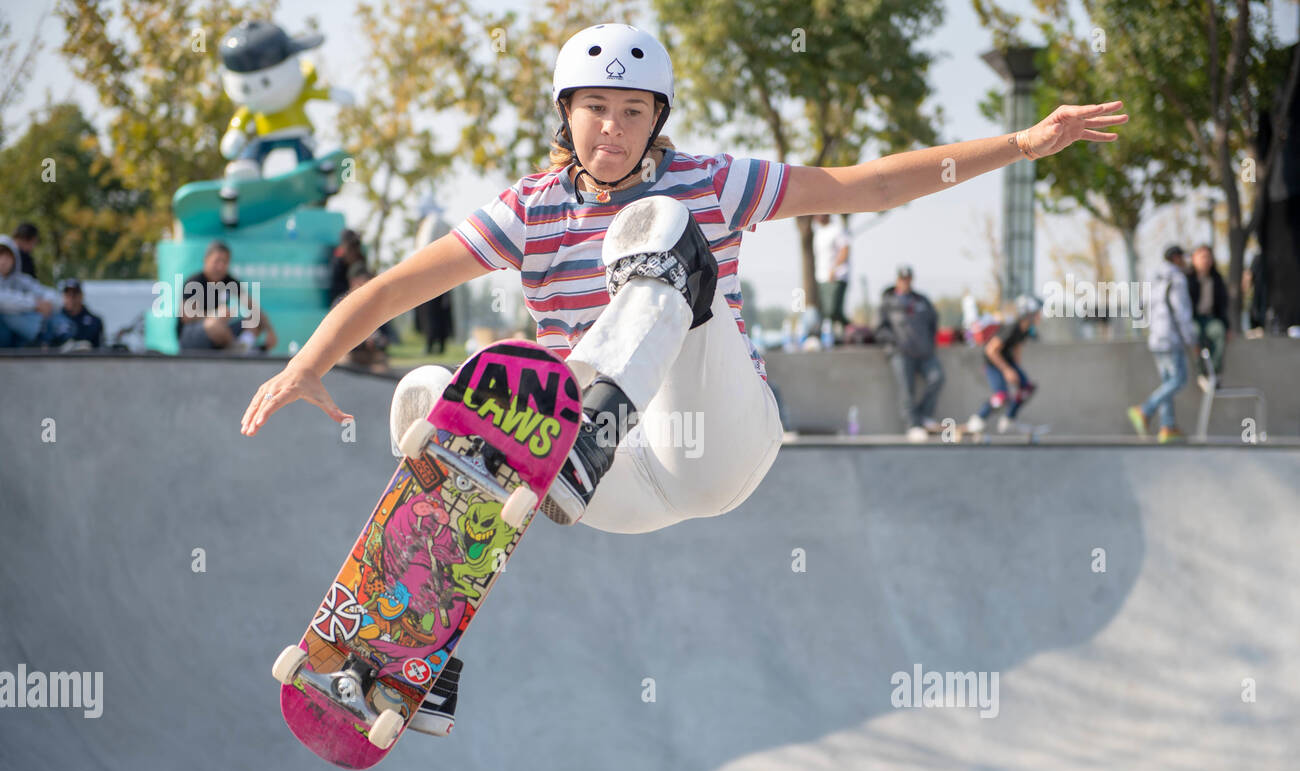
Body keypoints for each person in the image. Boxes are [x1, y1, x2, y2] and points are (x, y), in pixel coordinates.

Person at [241, 21, 1128, 735]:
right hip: (614, 491)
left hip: (715, 442)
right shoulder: (530, 209)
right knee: (442, 388)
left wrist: (1019, 142)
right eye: (596, 109)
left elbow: (866, 189)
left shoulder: (717, 181)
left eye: (634, 111)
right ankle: (412, 649)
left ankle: (594, 418)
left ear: (657, 118)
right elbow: (396, 286)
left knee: (663, 225)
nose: (613, 130)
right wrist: (304, 364)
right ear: (566, 112)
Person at [1128, 245, 1197, 443]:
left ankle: (1167, 427)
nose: (1185, 262)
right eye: (1183, 258)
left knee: (1167, 382)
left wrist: (1152, 327)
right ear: (1175, 258)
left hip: (1156, 337)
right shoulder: (1176, 279)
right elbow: (1181, 312)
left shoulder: (1153, 277)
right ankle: (1145, 409)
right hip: (1172, 338)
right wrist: (1191, 339)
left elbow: (1141, 306)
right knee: (1179, 380)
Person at [877, 265, 943, 441]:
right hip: (901, 352)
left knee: (937, 377)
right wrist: (894, 344)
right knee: (907, 390)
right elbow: (881, 329)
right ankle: (912, 425)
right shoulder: (888, 302)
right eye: (902, 279)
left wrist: (929, 342)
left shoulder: (921, 300)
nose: (905, 283)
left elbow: (933, 322)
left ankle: (924, 417)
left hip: (924, 350)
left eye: (908, 279)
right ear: (897, 280)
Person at [177, 240, 277, 351]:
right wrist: (214, 315)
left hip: (221, 334)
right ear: (206, 260)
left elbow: (252, 307)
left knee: (255, 319)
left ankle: (239, 349)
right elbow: (186, 316)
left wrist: (270, 331)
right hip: (193, 336)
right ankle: (236, 351)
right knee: (213, 324)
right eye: (217, 261)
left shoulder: (229, 281)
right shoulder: (194, 282)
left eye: (225, 262)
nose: (220, 266)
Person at [966, 294, 1042, 435]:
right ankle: (977, 420)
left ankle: (1008, 420)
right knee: (1001, 397)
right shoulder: (1011, 327)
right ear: (1028, 313)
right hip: (994, 362)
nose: (1040, 316)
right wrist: (1007, 371)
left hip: (1007, 361)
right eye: (1037, 313)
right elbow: (991, 350)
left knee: (1026, 389)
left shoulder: (1025, 329)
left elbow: (1017, 349)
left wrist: (1017, 371)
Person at [0, 235, 58, 347]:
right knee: (7, 314)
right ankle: (45, 335)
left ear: (15, 259)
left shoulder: (21, 279)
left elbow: (50, 294)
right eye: (0, 255)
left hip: (17, 337)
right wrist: (35, 304)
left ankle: (56, 334)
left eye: (7, 256)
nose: (3, 261)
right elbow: (3, 301)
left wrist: (46, 304)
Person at [1187, 243, 1228, 387]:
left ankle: (1215, 373)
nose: (1205, 260)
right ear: (1194, 259)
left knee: (1218, 332)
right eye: (1202, 257)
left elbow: (1223, 305)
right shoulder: (1187, 279)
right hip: (1193, 319)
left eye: (1208, 257)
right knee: (1195, 333)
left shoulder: (1217, 279)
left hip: (1210, 318)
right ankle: (1201, 373)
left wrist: (1227, 326)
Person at [39, 279, 104, 350]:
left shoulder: (95, 321)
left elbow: (99, 349)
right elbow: (45, 348)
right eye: (68, 294)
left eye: (74, 294)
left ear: (81, 296)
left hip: (87, 360)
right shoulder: (52, 320)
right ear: (63, 296)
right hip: (59, 359)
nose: (71, 298)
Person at [813, 213, 851, 335]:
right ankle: (835, 335)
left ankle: (851, 328)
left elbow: (845, 251)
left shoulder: (837, 229)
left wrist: (834, 269)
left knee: (833, 310)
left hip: (837, 277)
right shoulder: (818, 233)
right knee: (826, 312)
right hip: (822, 277)